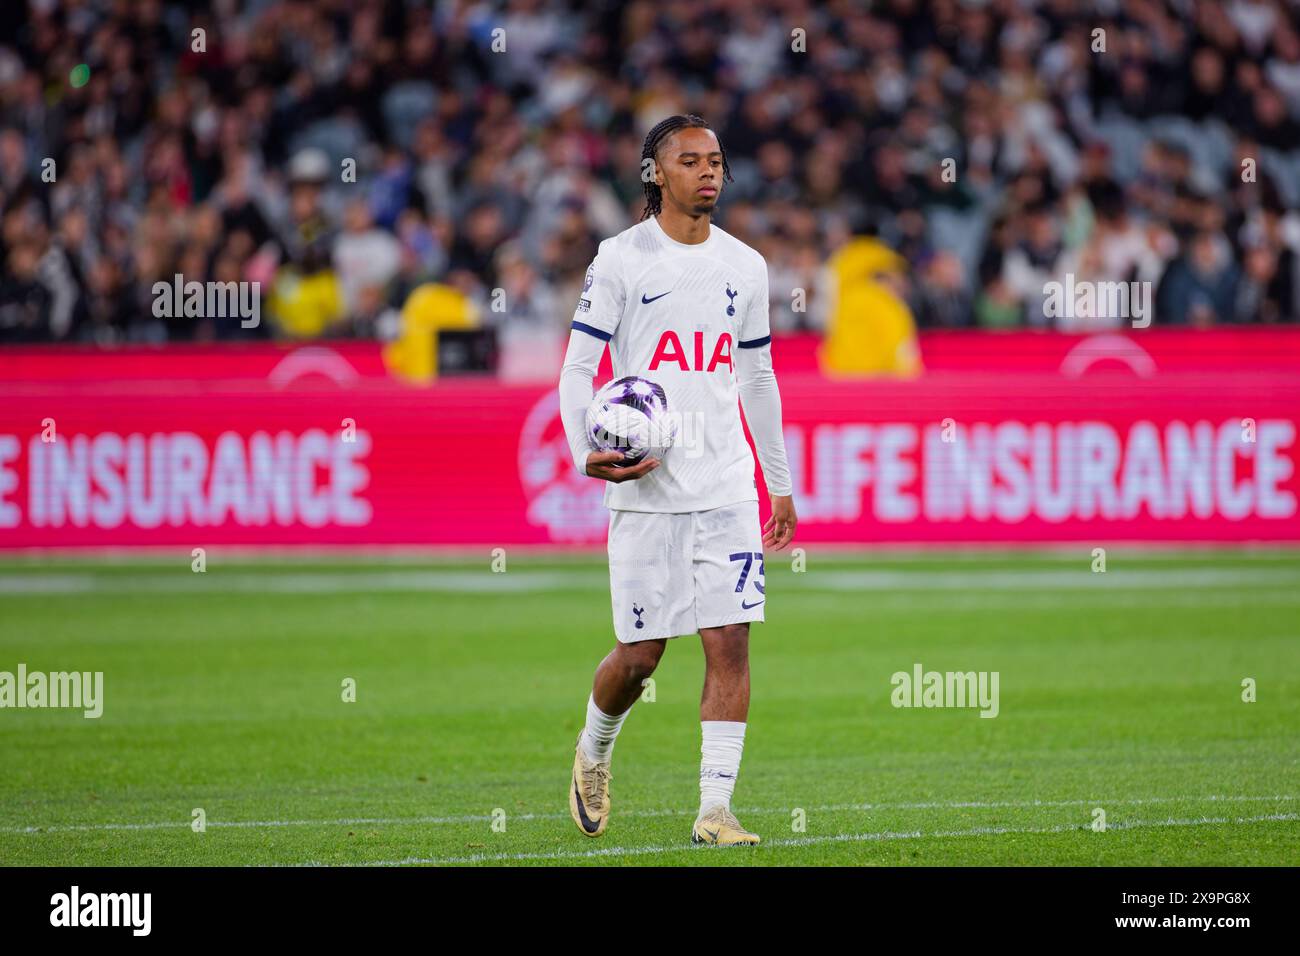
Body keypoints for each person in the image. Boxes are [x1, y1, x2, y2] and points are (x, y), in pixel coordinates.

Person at [557, 115, 796, 847]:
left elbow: (756, 374)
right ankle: (594, 751)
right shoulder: (622, 259)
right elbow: (576, 368)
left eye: (716, 160)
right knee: (641, 656)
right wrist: (581, 452)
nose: (708, 172)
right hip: (647, 489)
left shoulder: (745, 266)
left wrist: (776, 481)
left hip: (726, 485)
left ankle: (715, 810)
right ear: (654, 174)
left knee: (730, 643)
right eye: (689, 161)